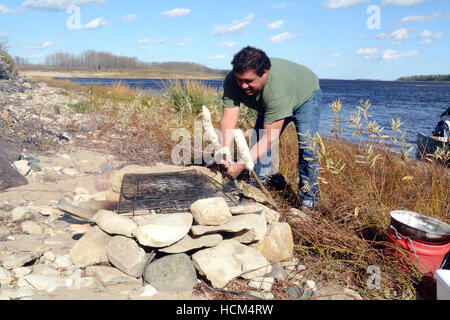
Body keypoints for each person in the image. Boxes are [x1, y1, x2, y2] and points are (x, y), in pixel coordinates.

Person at [219, 46, 322, 209]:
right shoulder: (233, 81)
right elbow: (228, 119)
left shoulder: (276, 90)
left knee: (307, 148)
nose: (244, 86)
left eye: (249, 81)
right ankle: (257, 192)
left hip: (305, 97)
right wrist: (224, 153)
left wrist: (241, 165)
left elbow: (270, 139)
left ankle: (310, 200)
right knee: (257, 146)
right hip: (274, 102)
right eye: (240, 80)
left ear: (265, 73)